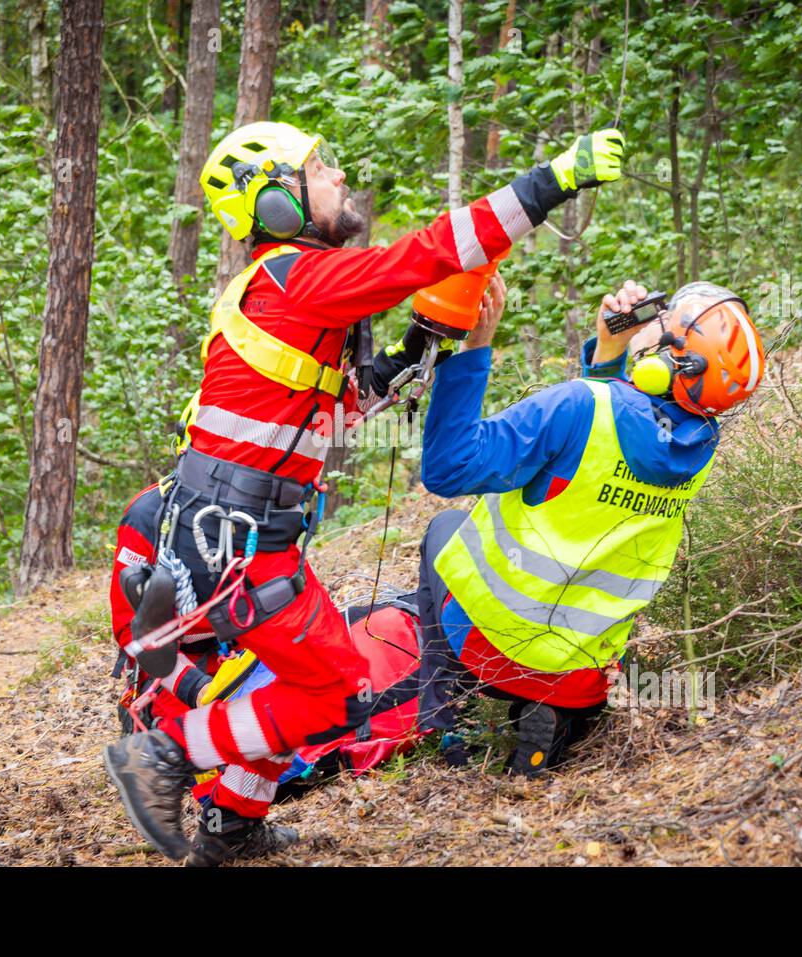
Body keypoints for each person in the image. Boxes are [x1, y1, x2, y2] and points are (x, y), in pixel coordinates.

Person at [103, 118, 627, 864]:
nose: (340, 179)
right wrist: (551, 182)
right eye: (321, 170)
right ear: (278, 201)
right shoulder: (295, 278)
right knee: (334, 692)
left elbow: (333, 406)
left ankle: (230, 826)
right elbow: (428, 254)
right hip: (237, 542)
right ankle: (167, 751)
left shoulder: (289, 295)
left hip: (240, 532)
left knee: (311, 680)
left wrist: (411, 356)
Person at [413, 278, 765, 775]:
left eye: (660, 322)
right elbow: (615, 429)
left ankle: (451, 725)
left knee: (443, 528)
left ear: (667, 363)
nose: (647, 318)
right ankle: (554, 715)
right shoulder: (700, 443)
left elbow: (447, 470)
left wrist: (476, 346)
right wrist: (609, 349)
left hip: (489, 649)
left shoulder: (577, 405)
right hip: (582, 674)